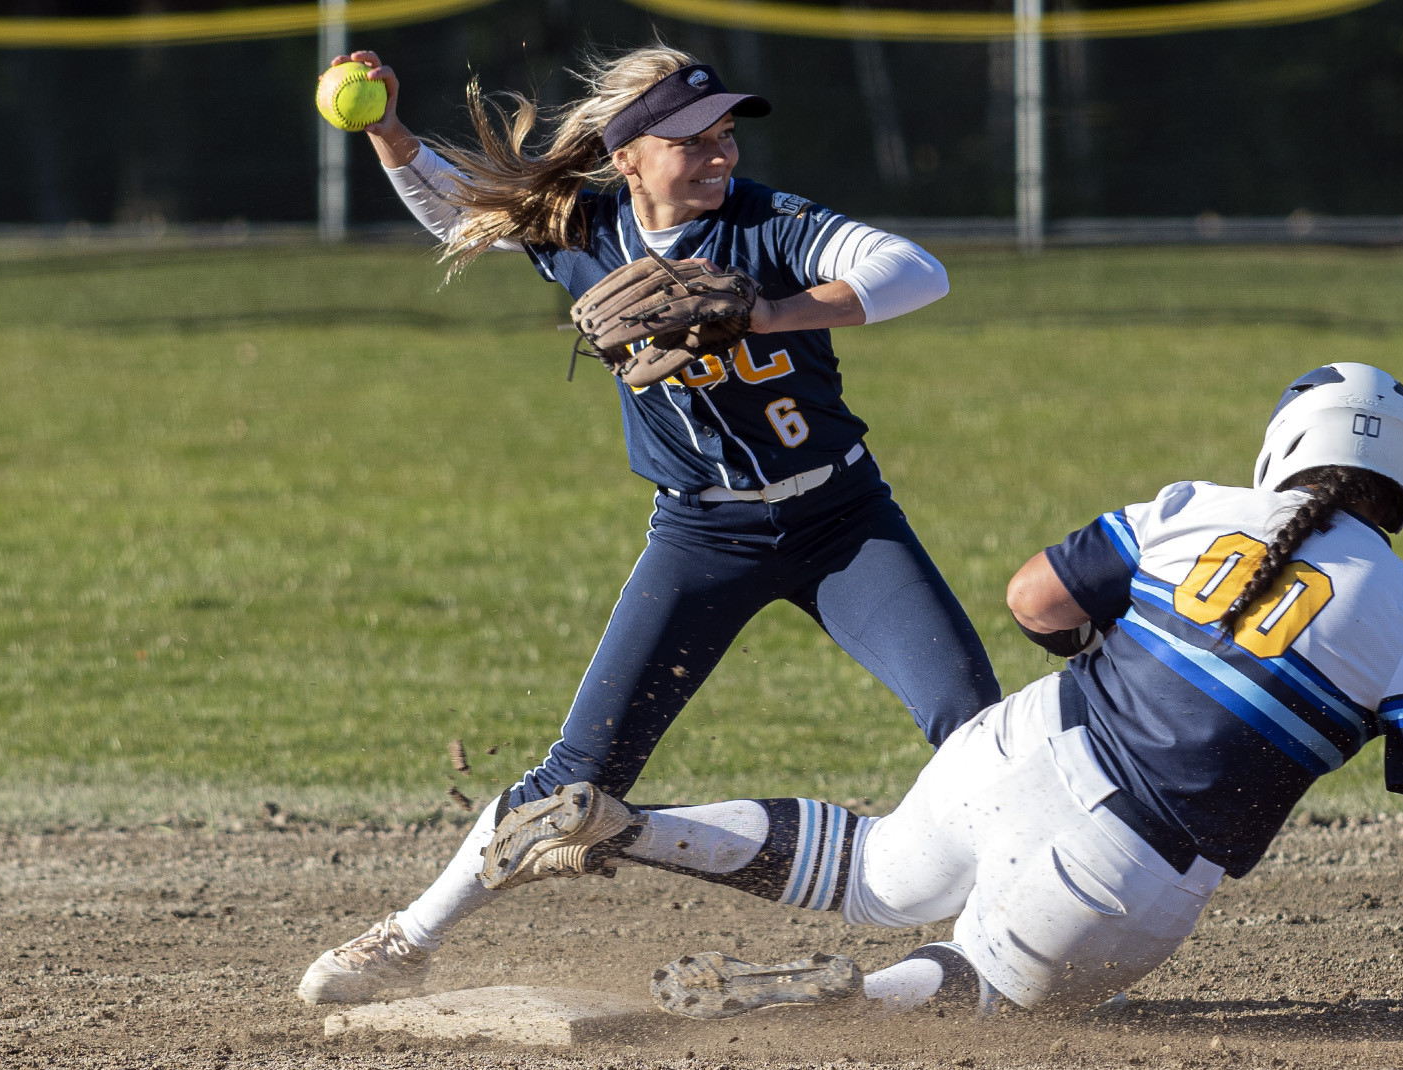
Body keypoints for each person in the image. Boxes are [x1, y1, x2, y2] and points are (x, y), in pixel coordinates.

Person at [477, 363, 1403, 1047]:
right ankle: (855, 990)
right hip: (1136, 862)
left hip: (1027, 741)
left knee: (877, 867)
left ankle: (631, 825)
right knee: (983, 985)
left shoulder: (1192, 506)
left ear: (1282, 447)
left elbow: (1032, 596)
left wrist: (1115, 643)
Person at [297, 46, 1000, 1005]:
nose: (720, 155)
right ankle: (406, 940)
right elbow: (461, 212)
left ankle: (1023, 940)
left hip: (842, 522)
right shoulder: (582, 228)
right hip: (701, 539)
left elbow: (917, 272)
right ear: (627, 156)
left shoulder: (769, 224)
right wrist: (387, 132)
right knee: (578, 777)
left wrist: (766, 312)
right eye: (691, 141)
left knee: (977, 731)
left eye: (726, 135)